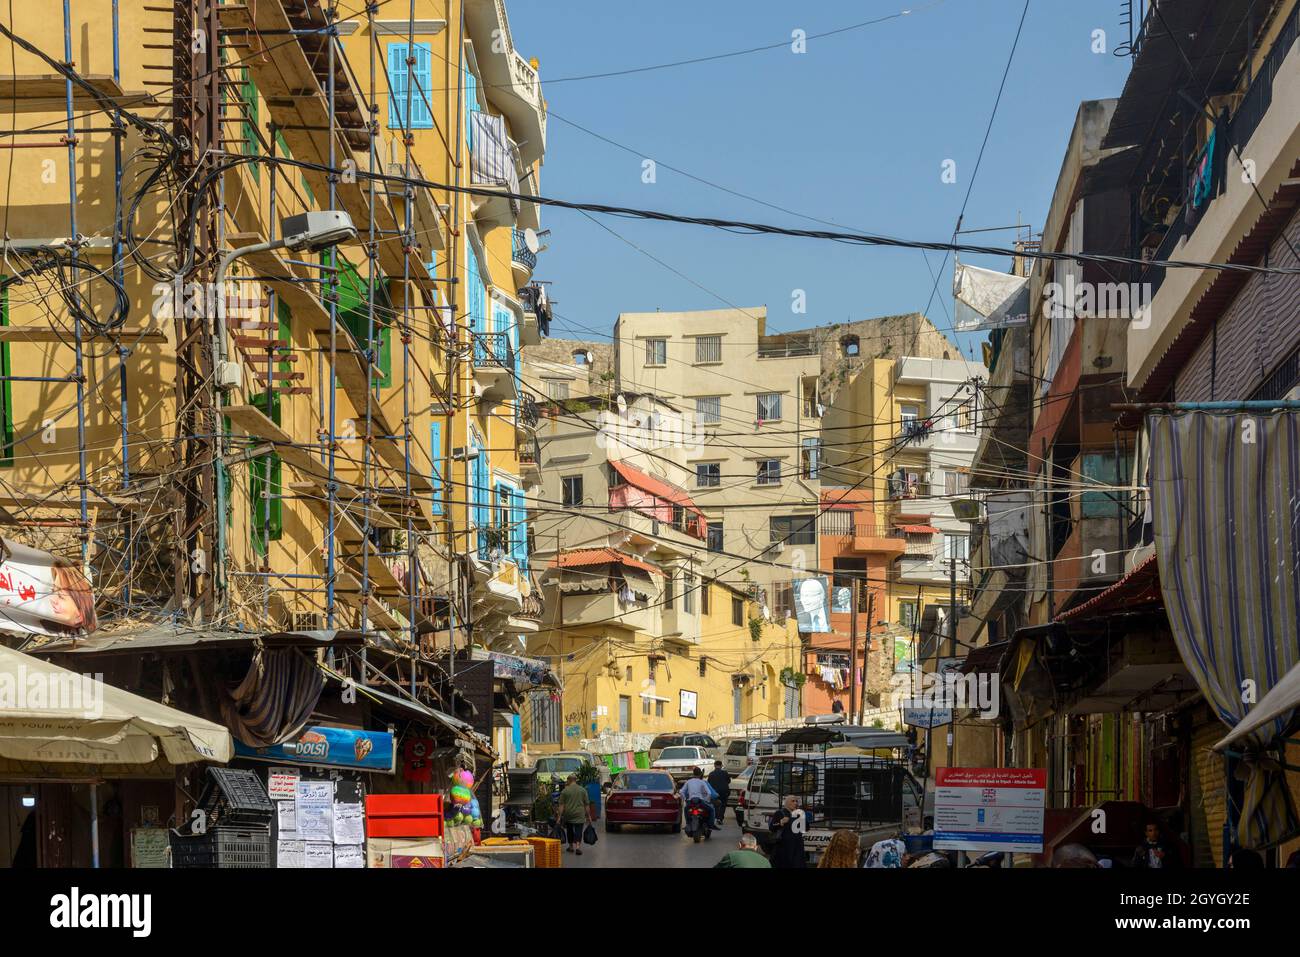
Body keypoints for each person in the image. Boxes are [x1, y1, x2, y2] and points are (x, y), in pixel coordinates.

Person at [555, 773, 593, 855]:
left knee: (570, 830)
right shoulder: (582, 790)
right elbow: (586, 804)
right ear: (575, 780)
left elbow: (561, 806)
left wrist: (558, 818)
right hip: (579, 814)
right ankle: (578, 847)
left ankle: (571, 846)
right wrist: (589, 817)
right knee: (579, 830)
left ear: (569, 780)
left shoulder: (565, 791)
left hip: (569, 814)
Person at [768, 796, 806, 868]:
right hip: (784, 847)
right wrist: (781, 823)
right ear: (787, 803)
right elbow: (772, 827)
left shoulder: (799, 814)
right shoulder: (779, 813)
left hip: (797, 846)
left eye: (796, 801)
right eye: (793, 801)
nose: (795, 803)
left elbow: (805, 828)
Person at [679, 767, 719, 833]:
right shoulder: (702, 782)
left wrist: (685, 799)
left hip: (691, 801)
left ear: (693, 773)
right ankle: (711, 825)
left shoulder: (688, 782)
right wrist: (706, 800)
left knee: (686, 810)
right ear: (700, 774)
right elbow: (709, 793)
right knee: (712, 809)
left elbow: (681, 792)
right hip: (700, 801)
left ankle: (688, 824)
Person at [706, 760, 730, 830]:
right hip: (724, 791)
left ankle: (716, 817)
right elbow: (728, 781)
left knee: (715, 804)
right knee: (723, 804)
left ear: (714, 765)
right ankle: (720, 818)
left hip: (715, 792)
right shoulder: (725, 773)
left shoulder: (711, 774)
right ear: (721, 765)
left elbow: (708, 783)